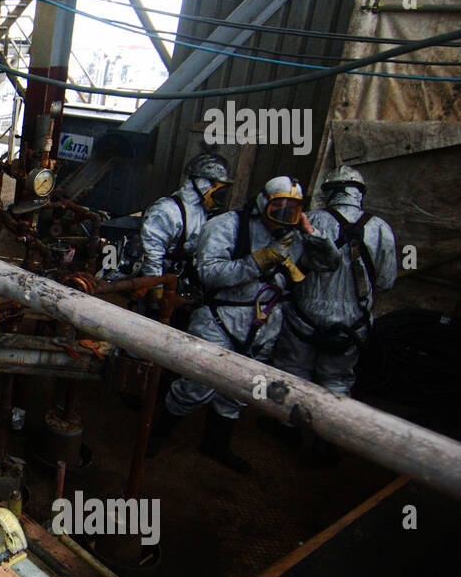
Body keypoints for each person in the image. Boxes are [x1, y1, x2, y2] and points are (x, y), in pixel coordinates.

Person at [145, 175, 340, 473]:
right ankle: (153, 438)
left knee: (240, 389)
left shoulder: (298, 235)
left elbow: (330, 265)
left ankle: (216, 444)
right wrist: (257, 261)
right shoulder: (227, 226)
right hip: (220, 318)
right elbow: (209, 274)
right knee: (195, 384)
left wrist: (311, 233)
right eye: (279, 209)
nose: (284, 218)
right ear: (264, 203)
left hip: (265, 321)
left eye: (293, 210)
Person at [270, 164, 396, 463]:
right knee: (338, 380)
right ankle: (327, 442)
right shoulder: (381, 228)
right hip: (351, 325)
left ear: (329, 192)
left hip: (304, 317)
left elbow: (289, 268)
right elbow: (388, 281)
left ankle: (289, 428)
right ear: (359, 194)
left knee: (294, 372)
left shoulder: (310, 221)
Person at [135, 150, 233, 317]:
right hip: (154, 285)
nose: (220, 196)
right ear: (203, 184)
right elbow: (151, 254)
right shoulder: (167, 210)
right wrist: (156, 294)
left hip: (179, 283)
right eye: (218, 188)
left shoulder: (203, 213)